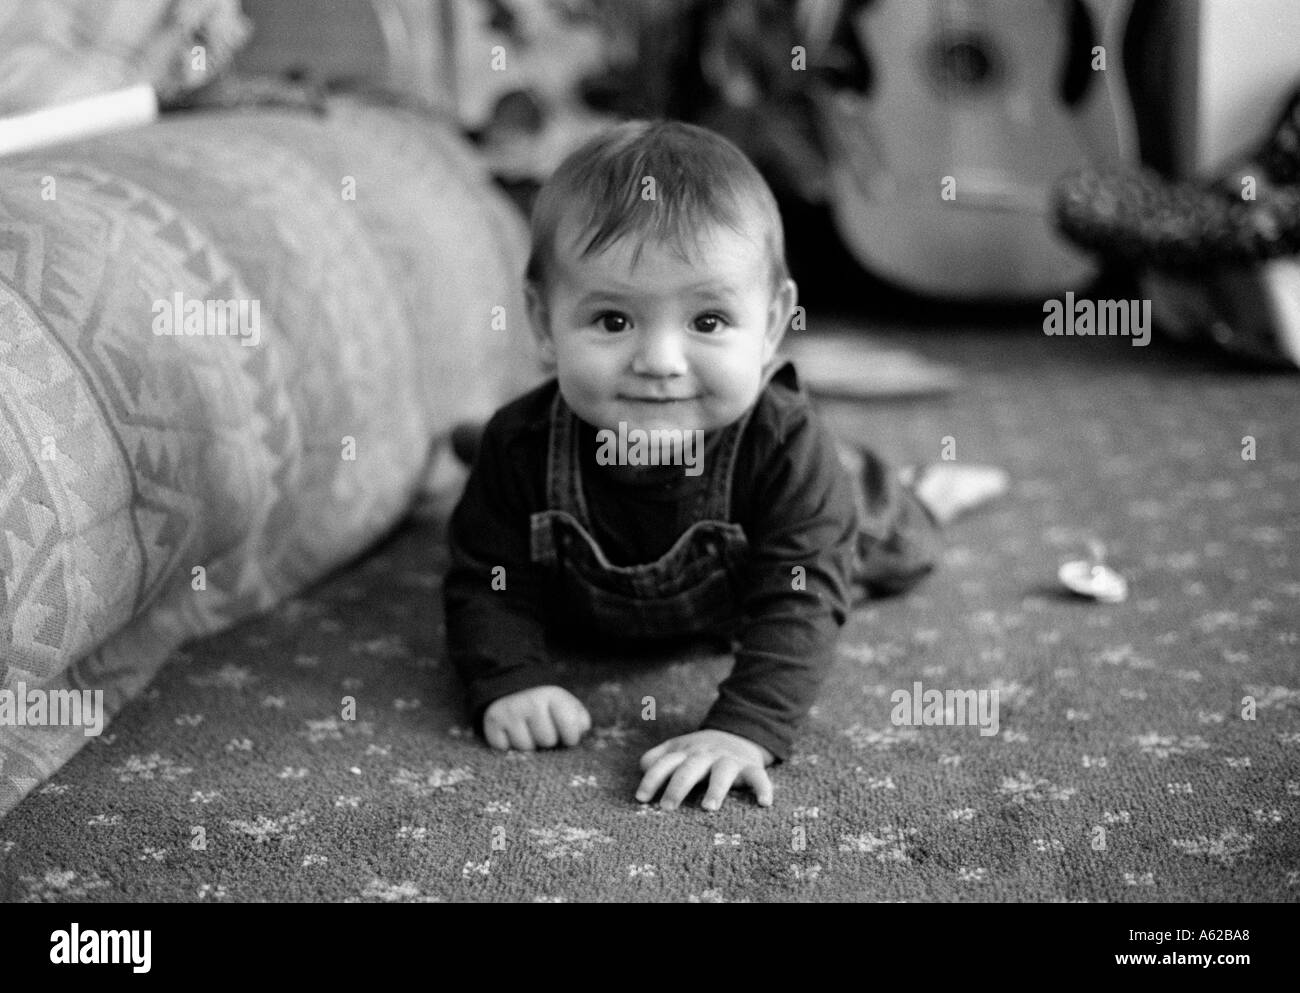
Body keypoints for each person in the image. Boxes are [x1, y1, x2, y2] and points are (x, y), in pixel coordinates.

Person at [443, 120, 1004, 812]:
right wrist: (507, 676)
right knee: (503, 465)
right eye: (613, 321)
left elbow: (802, 597)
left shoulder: (785, 445)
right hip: (575, 485)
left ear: (770, 326)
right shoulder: (523, 444)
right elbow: (484, 578)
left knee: (889, 535)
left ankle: (910, 489)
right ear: (542, 323)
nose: (660, 362)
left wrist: (745, 730)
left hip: (805, 510)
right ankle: (475, 454)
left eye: (707, 320)